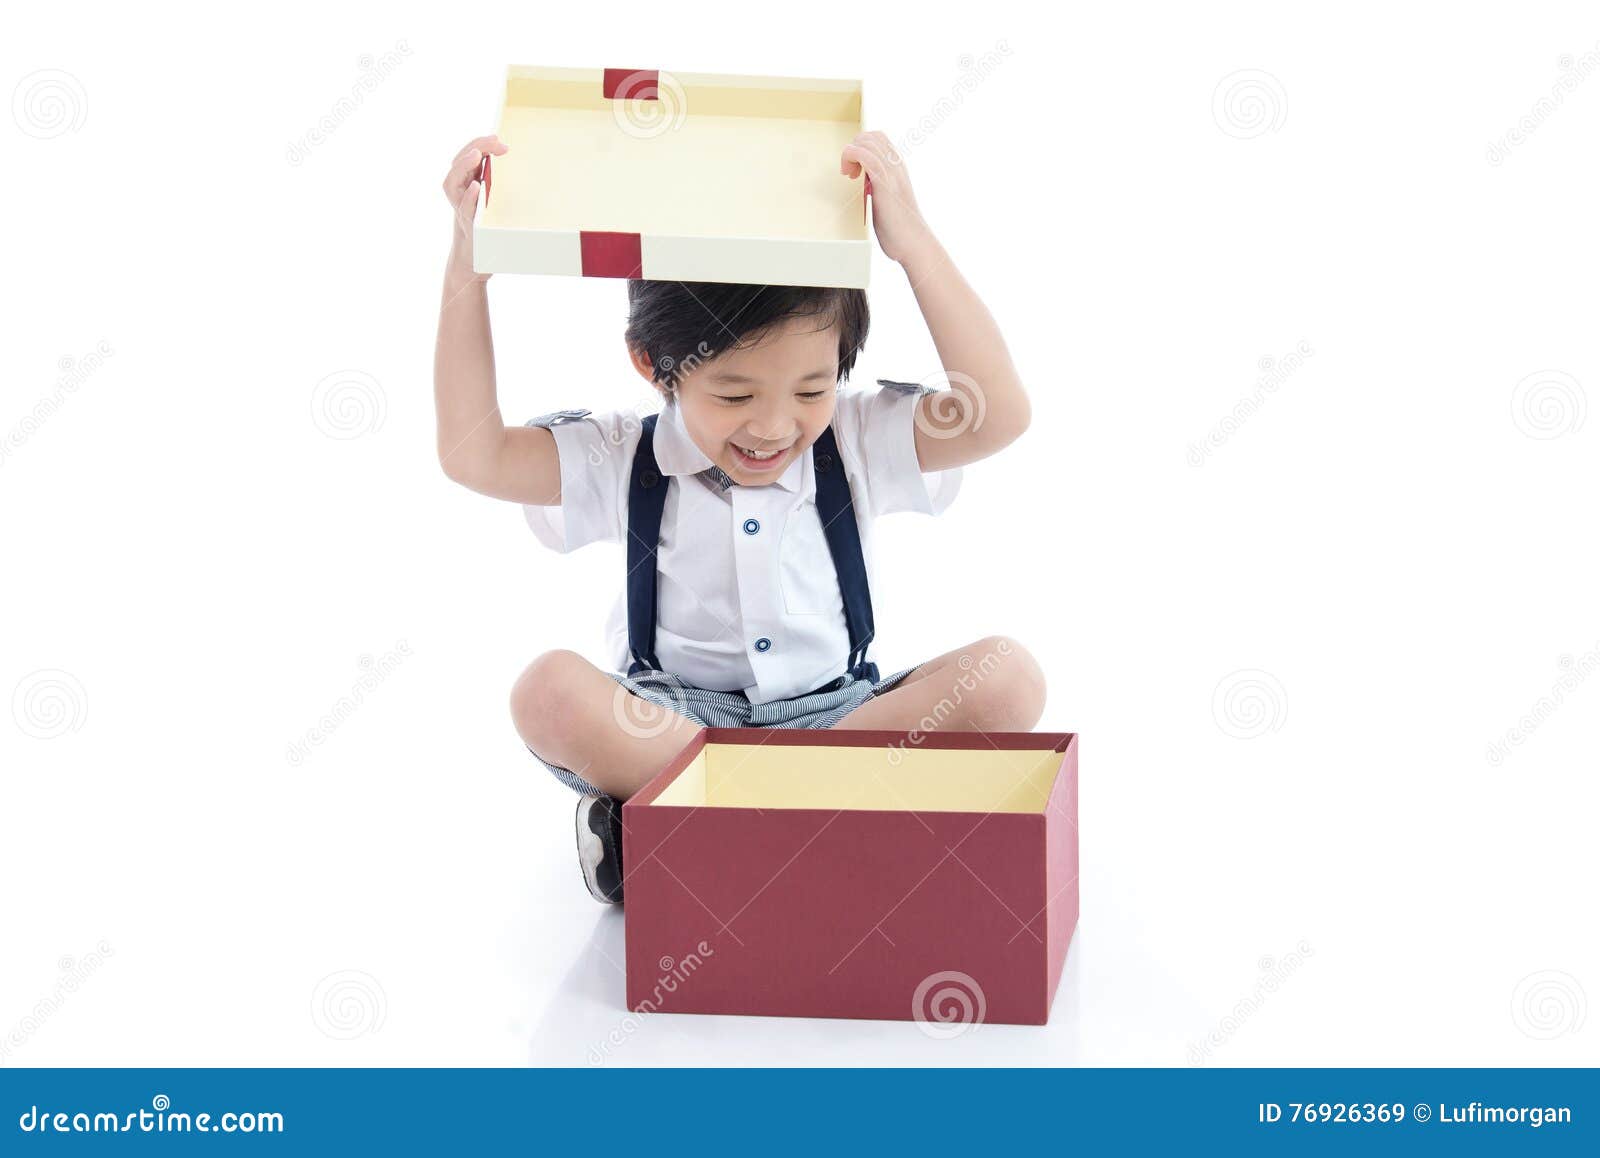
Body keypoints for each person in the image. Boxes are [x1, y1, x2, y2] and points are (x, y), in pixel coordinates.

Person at [434, 130, 1045, 904]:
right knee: (547, 692)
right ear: (652, 366)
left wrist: (912, 245)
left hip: (841, 721)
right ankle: (816, 820)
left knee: (1008, 679)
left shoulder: (858, 437)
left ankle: (694, 827)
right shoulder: (620, 454)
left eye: (811, 389)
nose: (774, 427)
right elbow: (472, 453)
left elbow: (1002, 416)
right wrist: (468, 267)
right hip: (678, 731)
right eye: (733, 395)